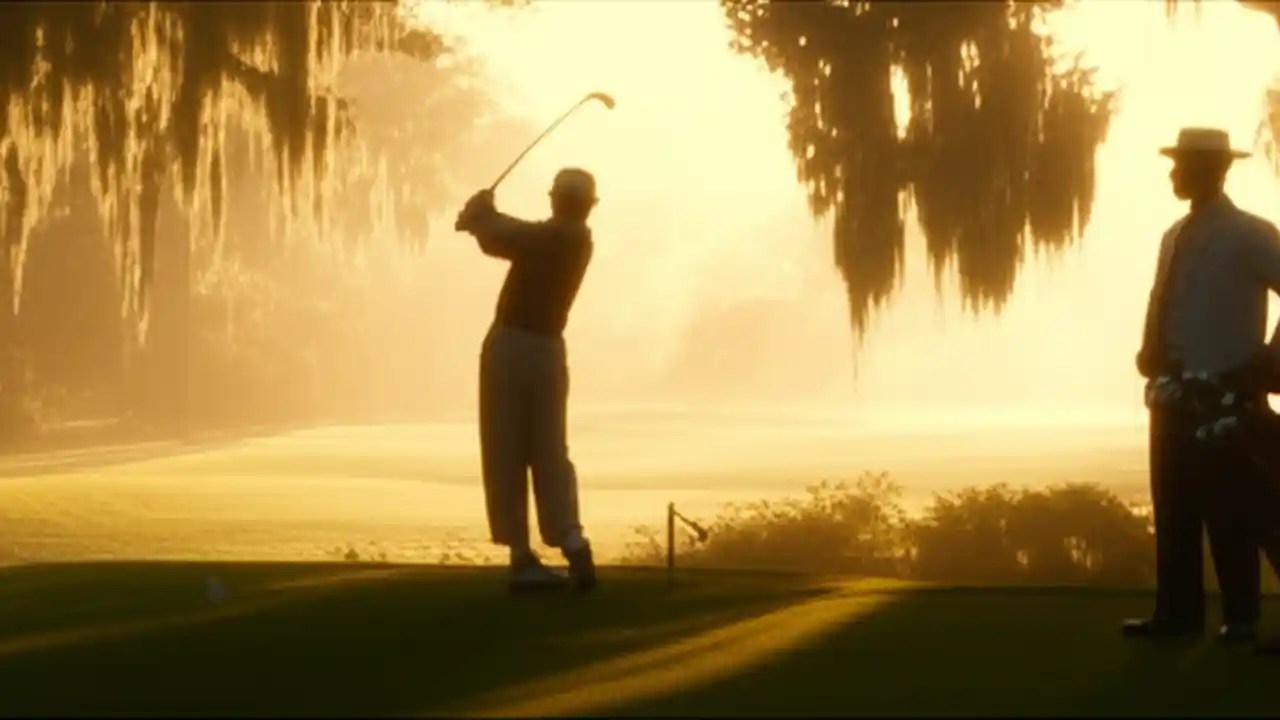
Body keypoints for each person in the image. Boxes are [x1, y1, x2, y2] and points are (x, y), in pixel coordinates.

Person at [1127, 127, 1280, 643]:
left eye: (1183, 164)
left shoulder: (1251, 235)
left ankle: (1240, 617)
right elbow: (1161, 300)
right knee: (1174, 509)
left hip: (1226, 394)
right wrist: (1149, 350)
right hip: (1171, 395)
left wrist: (1269, 361)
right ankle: (1177, 613)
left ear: (1213, 170)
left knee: (1234, 508)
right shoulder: (1173, 235)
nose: (1174, 173)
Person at [454, 168, 598, 594]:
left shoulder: (566, 237)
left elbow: (507, 237)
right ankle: (559, 545)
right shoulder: (565, 236)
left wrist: (481, 215)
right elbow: (502, 239)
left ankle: (548, 548)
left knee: (515, 448)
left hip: (516, 345)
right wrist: (482, 221)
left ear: (558, 200)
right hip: (544, 349)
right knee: (537, 447)